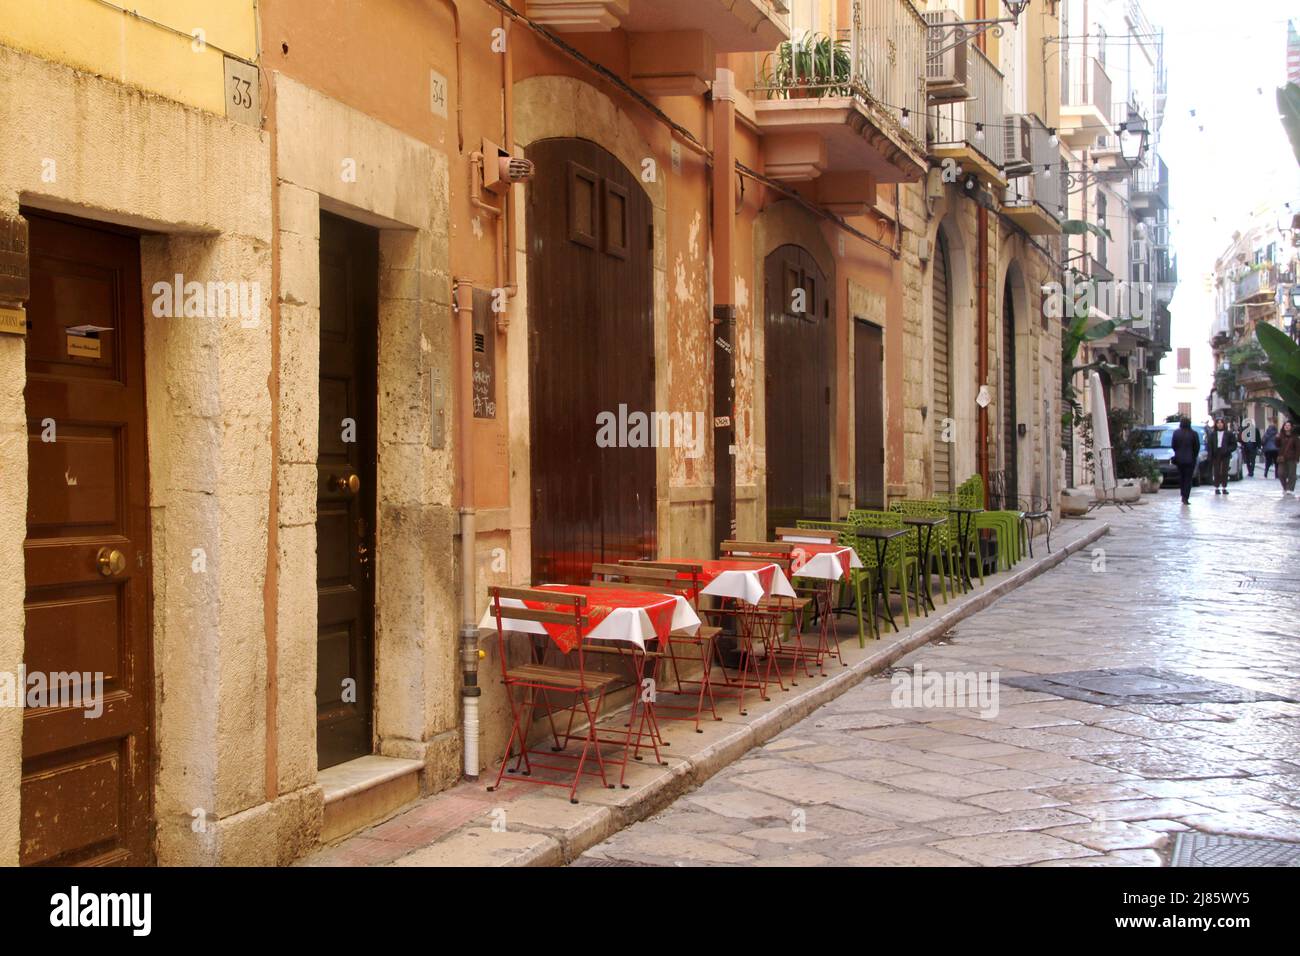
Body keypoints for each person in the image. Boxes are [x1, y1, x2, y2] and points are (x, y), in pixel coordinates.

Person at [1170, 416, 1200, 505]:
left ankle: (1183, 494)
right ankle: (1186, 497)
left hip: (1179, 459)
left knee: (1182, 477)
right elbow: (1197, 447)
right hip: (1190, 460)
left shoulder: (1176, 433)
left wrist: (1178, 453)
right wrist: (1194, 456)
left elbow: (1173, 445)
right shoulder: (1194, 434)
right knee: (1188, 479)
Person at [1207, 417, 1237, 495]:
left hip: (1225, 454)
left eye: (1221, 423)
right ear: (1216, 424)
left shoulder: (1229, 434)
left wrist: (1228, 450)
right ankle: (1216, 487)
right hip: (1216, 454)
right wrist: (1210, 455)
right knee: (1216, 471)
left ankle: (1224, 487)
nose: (1219, 424)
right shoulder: (1212, 434)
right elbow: (1209, 445)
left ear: (1224, 424)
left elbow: (1234, 444)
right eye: (1218, 423)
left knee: (1224, 471)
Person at [1278, 421, 1299, 497]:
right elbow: (1277, 445)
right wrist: (1276, 438)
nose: (1287, 426)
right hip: (1282, 458)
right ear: (1283, 427)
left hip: (1292, 458)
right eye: (1285, 425)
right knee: (1280, 473)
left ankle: (1290, 489)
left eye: (1288, 425)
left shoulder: (1295, 437)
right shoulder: (1280, 436)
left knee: (1292, 474)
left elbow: (1297, 448)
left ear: (1291, 427)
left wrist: (1297, 458)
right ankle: (1285, 487)